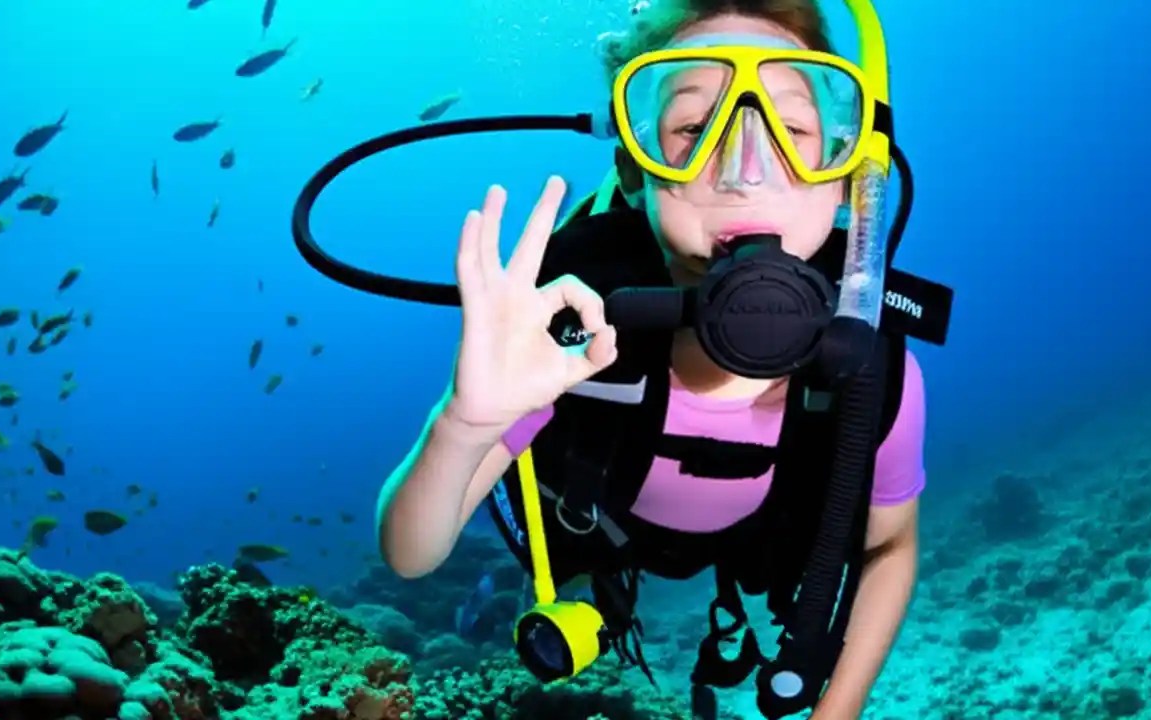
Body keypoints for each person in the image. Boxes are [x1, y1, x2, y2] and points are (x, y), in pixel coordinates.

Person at [367, 1, 953, 717]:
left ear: (847, 177)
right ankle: (598, 595)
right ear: (634, 170)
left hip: (765, 538)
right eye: (691, 129)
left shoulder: (873, 371)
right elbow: (410, 554)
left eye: (793, 129)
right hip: (601, 523)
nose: (745, 168)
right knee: (590, 574)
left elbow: (889, 548)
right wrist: (464, 423)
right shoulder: (568, 334)